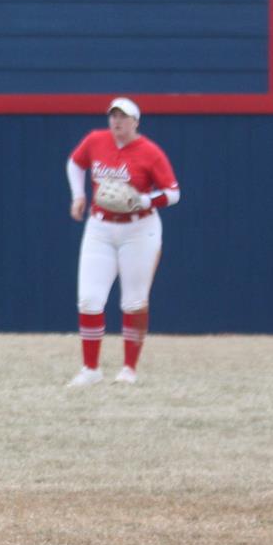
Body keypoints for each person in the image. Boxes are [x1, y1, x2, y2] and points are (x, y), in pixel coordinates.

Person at [65, 96, 180, 386]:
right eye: (113, 116)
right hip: (100, 226)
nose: (116, 121)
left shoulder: (150, 151)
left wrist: (142, 199)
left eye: (123, 117)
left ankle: (129, 368)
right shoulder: (95, 140)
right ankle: (90, 369)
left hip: (139, 229)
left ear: (135, 122)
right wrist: (79, 195)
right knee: (89, 298)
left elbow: (173, 192)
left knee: (134, 300)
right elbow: (75, 164)